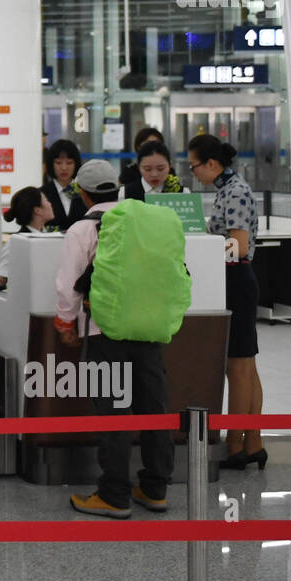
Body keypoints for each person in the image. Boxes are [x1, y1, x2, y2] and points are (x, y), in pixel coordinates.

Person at [54, 159, 174, 518]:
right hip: (149, 327)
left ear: (83, 193)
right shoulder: (145, 221)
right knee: (154, 409)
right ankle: (155, 489)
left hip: (104, 332)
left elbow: (67, 285)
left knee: (113, 412)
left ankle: (114, 494)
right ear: (119, 186)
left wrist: (65, 324)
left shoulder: (82, 229)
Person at [188, 135, 266, 471]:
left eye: (194, 166)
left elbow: (239, 246)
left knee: (237, 366)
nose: (193, 173)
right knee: (248, 368)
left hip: (236, 280)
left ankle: (236, 447)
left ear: (211, 164)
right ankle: (254, 443)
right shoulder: (229, 189)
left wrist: (204, 249)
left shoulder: (234, 192)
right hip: (237, 281)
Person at [0, 185, 55, 291]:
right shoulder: (16, 243)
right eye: (46, 200)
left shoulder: (50, 236)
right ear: (37, 210)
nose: (50, 204)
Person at [41, 139, 87, 232]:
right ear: (51, 164)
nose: (64, 168)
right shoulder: (41, 194)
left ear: (76, 164)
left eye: (69, 162)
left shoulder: (85, 192)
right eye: (58, 163)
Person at [120, 140, 186, 202]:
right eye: (147, 169)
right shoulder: (125, 193)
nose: (154, 174)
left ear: (170, 165)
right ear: (138, 167)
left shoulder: (183, 193)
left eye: (161, 168)